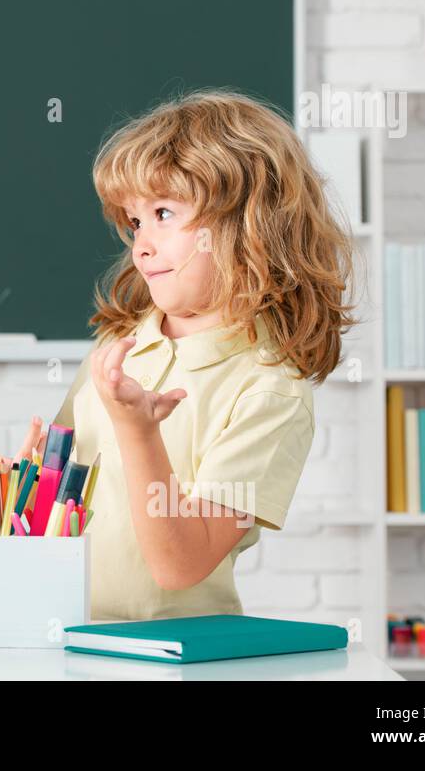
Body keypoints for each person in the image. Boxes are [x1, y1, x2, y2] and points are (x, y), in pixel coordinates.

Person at [28, 90, 357, 621]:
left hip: (176, 656)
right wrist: (27, 486)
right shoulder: (124, 345)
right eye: (135, 222)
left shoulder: (269, 388)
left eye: (163, 213)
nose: (141, 245)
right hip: (62, 633)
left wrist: (138, 431)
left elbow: (180, 566)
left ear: (250, 223)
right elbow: (54, 514)